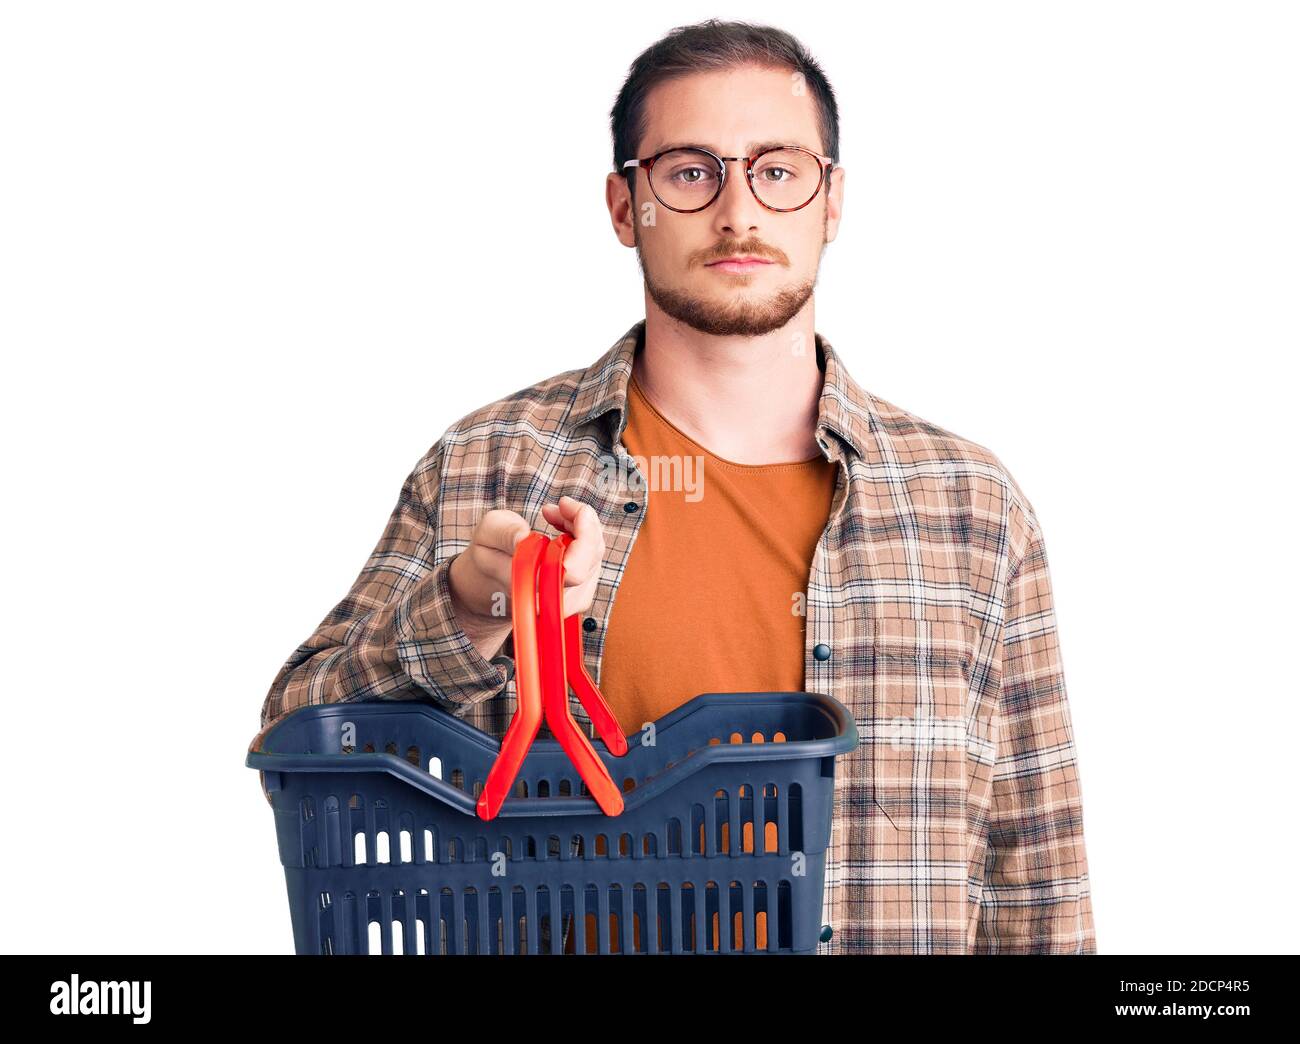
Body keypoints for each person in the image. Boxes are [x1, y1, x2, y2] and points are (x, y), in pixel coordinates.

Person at [250, 18, 1096, 955]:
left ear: (832, 201)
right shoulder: (489, 466)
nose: (739, 212)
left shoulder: (971, 512)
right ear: (624, 207)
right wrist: (469, 610)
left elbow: (1037, 884)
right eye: (691, 172)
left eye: (778, 170)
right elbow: (296, 737)